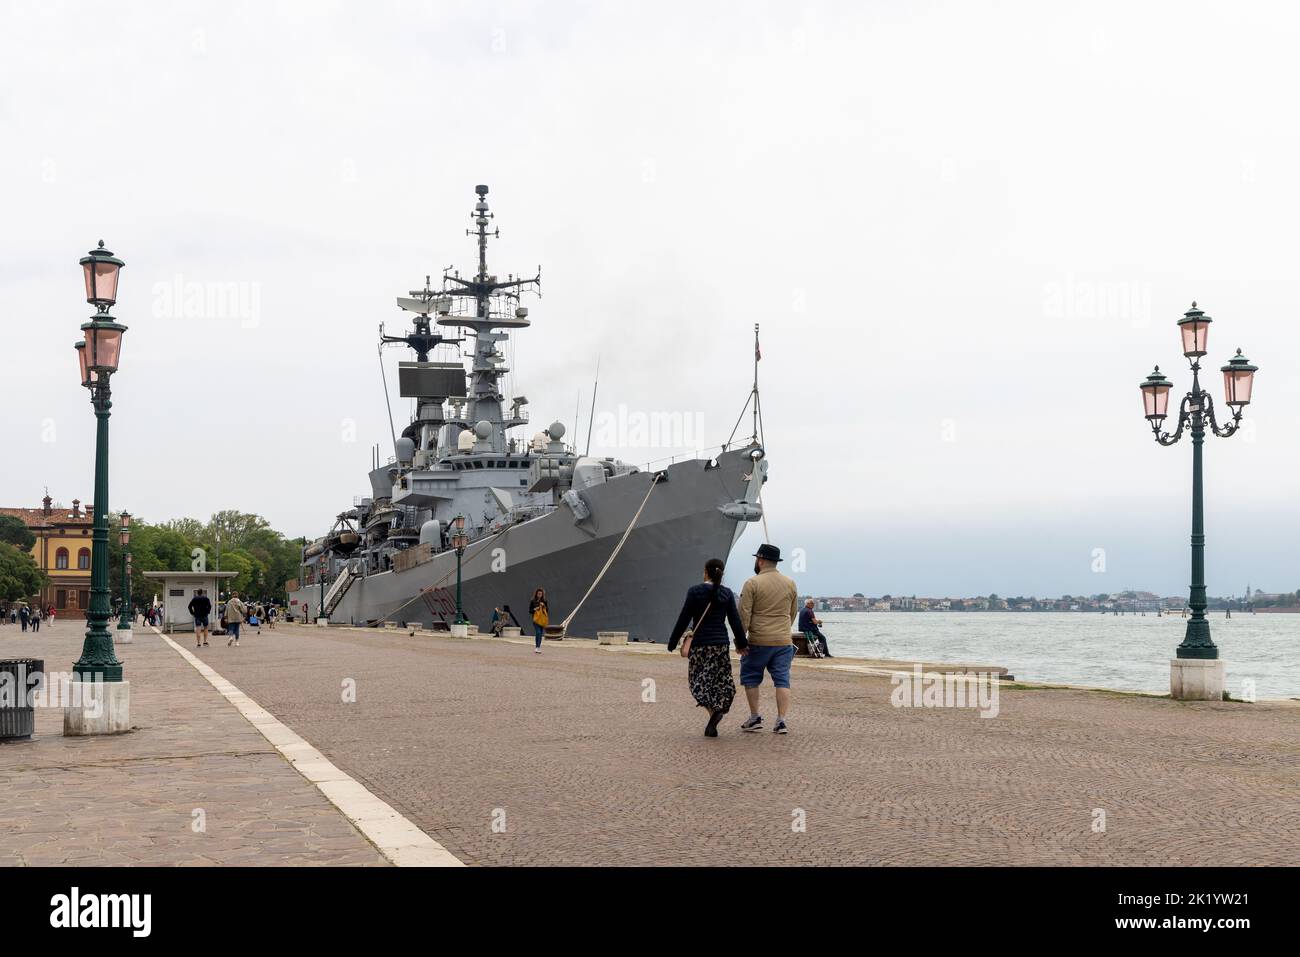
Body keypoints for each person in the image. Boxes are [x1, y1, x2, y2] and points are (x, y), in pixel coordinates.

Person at [667, 558, 748, 737]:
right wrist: (742, 643)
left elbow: (684, 618)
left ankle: (713, 713)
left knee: (698, 682)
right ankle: (716, 713)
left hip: (700, 646)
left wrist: (672, 642)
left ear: (705, 572)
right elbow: (735, 621)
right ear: (722, 573)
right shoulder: (726, 594)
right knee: (720, 681)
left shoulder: (695, 591)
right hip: (720, 645)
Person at [737, 544, 799, 734]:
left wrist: (740, 640)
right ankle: (781, 721)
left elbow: (744, 614)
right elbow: (793, 611)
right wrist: (783, 630)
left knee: (751, 677)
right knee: (782, 680)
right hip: (783, 641)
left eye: (757, 558)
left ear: (761, 560)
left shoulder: (752, 583)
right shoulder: (790, 583)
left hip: (758, 640)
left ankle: (755, 717)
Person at [528, 588, 549, 654]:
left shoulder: (544, 601)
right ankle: (537, 647)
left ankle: (538, 647)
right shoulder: (532, 601)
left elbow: (547, 610)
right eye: (538, 594)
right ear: (536, 594)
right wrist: (534, 609)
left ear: (542, 594)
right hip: (536, 619)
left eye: (541, 594)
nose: (539, 595)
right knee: (538, 632)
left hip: (542, 619)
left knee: (540, 633)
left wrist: (544, 606)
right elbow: (530, 611)